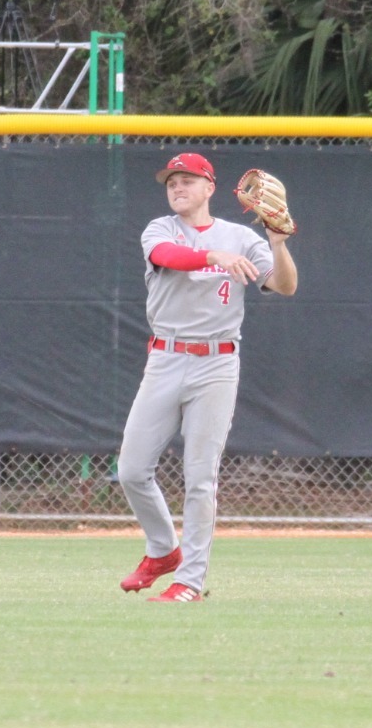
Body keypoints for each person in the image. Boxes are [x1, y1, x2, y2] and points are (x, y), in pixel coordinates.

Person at [117, 152, 298, 602]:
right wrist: (213, 255)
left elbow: (286, 286)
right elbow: (169, 257)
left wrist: (277, 243)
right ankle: (162, 550)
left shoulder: (240, 237)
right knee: (132, 470)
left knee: (200, 479)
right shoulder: (159, 229)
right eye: (171, 181)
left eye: (186, 180)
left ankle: (189, 582)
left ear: (209, 187)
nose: (176, 188)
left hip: (217, 364)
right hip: (166, 357)